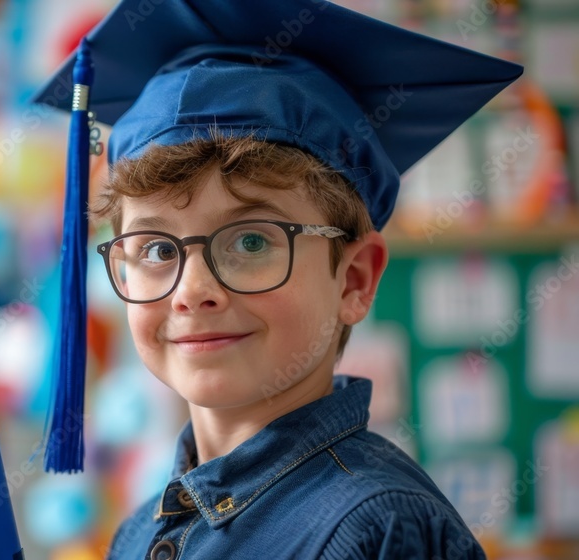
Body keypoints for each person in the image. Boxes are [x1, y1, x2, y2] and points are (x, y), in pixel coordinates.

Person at [31, 0, 523, 558]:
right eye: (158, 249)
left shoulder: (380, 529)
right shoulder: (140, 533)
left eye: (251, 242)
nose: (192, 290)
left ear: (354, 280)